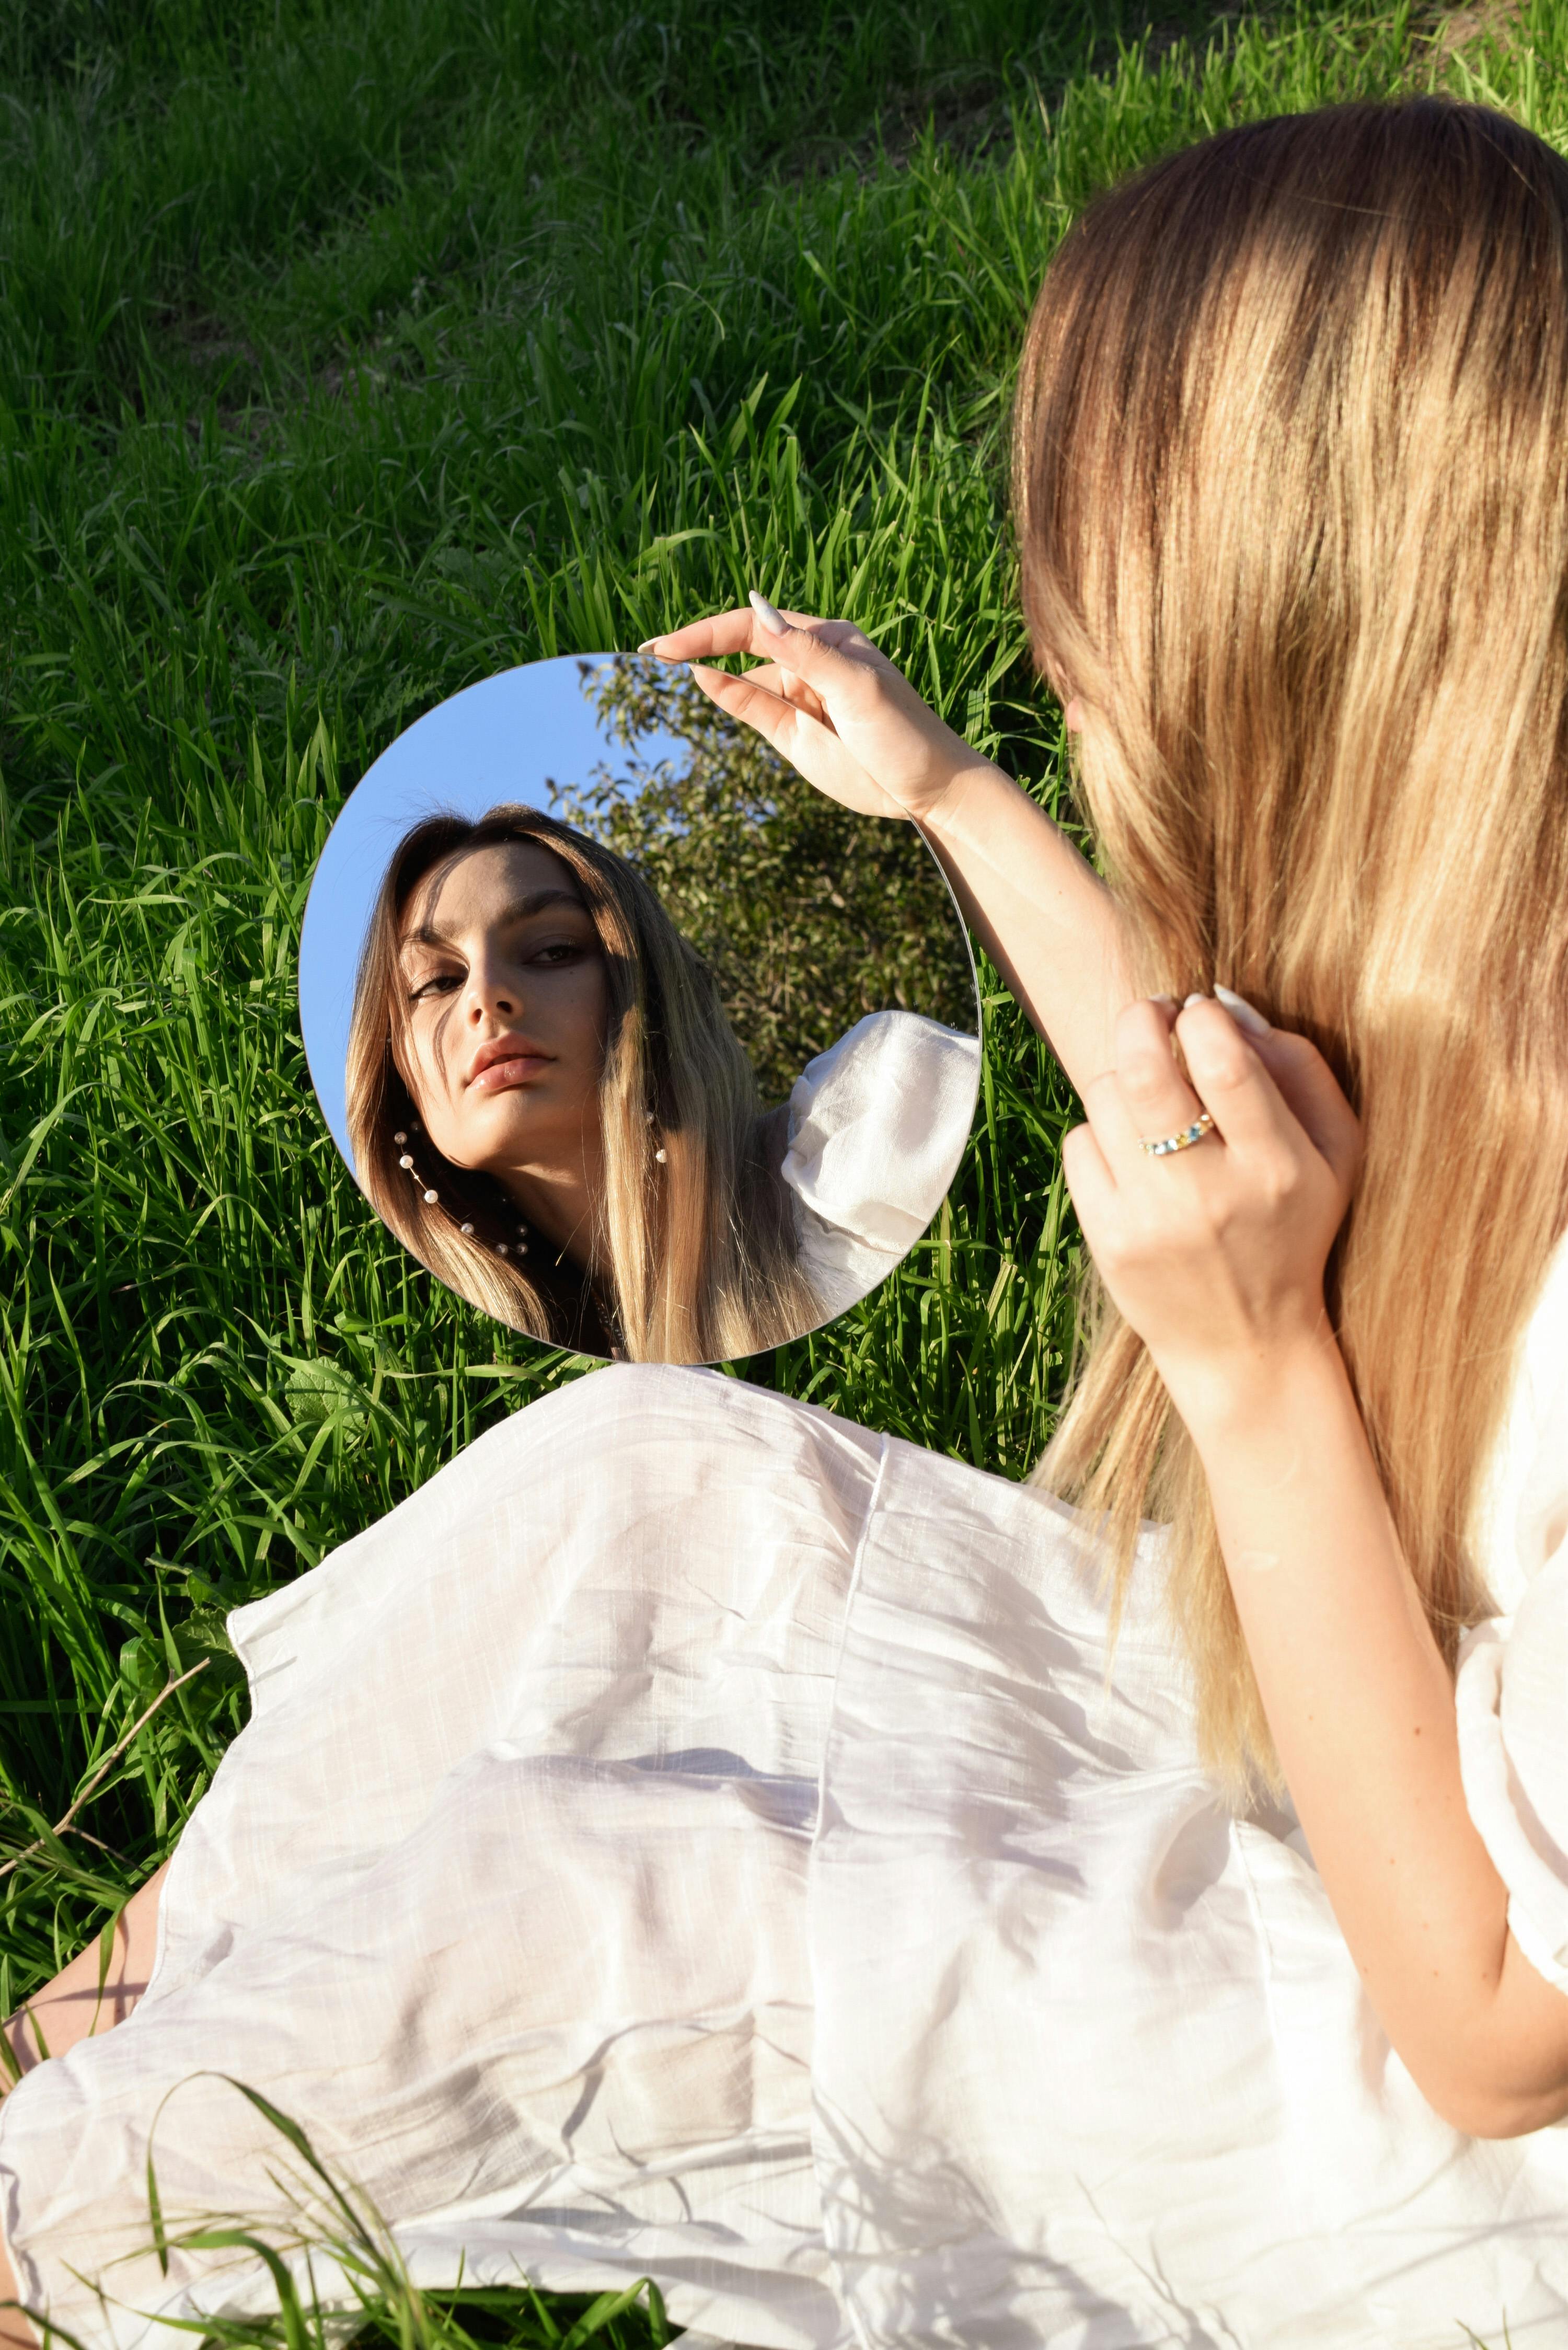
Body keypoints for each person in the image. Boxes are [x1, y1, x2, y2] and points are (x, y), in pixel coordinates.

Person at [4, 91, 1567, 2350]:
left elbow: (1498, 2019)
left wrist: (1242, 1370)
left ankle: (30, 2248)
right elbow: (1223, 1101)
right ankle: (62, 2059)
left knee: (604, 1908)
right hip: (1384, 1777)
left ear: (1308, 615)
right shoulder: (1505, 928)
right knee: (635, 1470)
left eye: (1102, 579)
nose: (1065, 637)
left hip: (1429, 2149)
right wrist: (941, 796)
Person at [344, 801, 979, 1362]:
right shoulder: (460, 1361)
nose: (487, 996)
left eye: (553, 950)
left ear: (646, 988)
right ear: (394, 1069)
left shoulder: (872, 1133)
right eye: (437, 982)